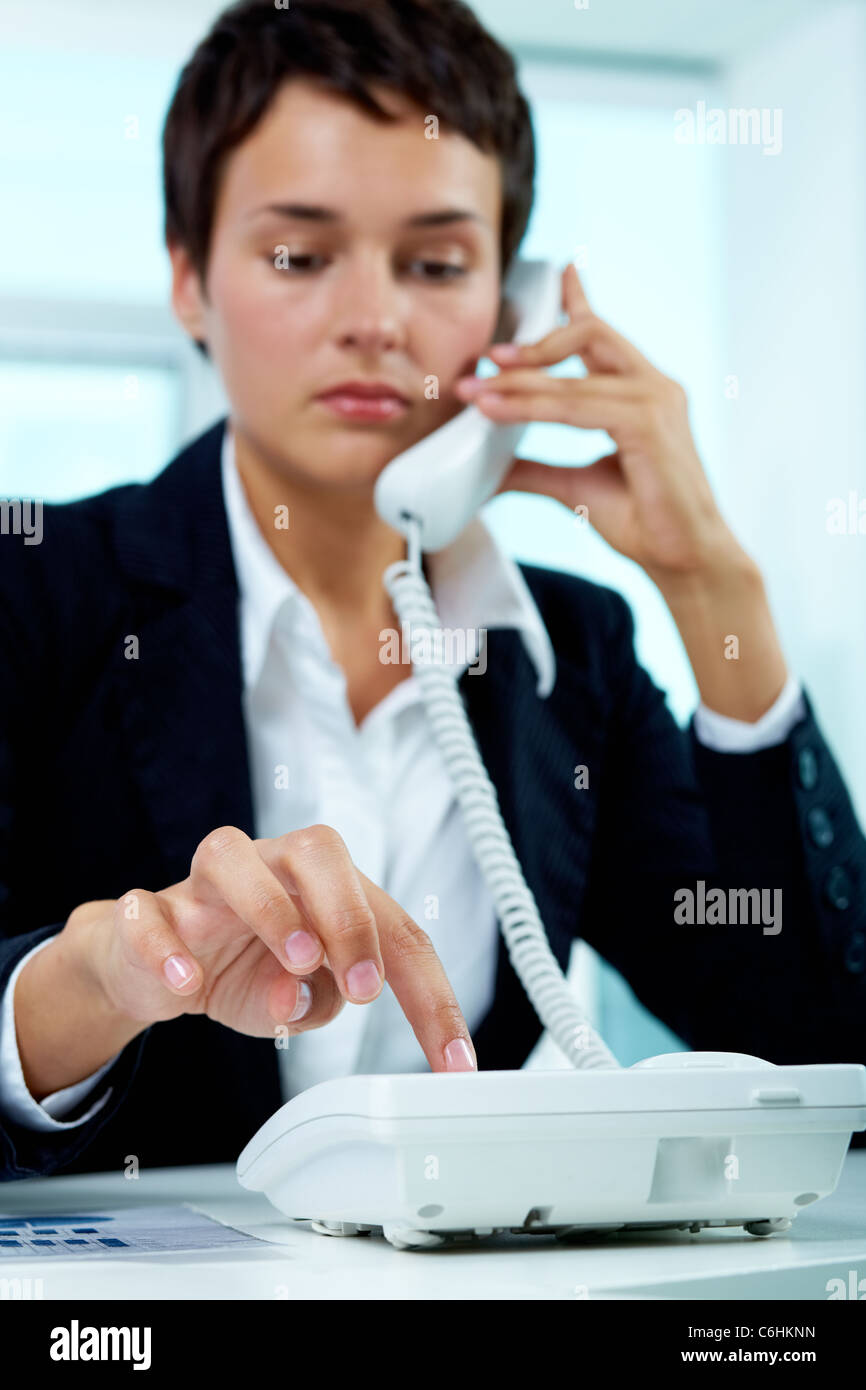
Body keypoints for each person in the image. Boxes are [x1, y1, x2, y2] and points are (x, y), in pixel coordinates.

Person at [1, 0, 863, 1183]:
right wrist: (92, 984)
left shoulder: (575, 650)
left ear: (509, 310)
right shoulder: (36, 590)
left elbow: (815, 1034)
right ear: (190, 281)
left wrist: (711, 585)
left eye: (435, 262)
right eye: (298, 254)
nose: (374, 321)